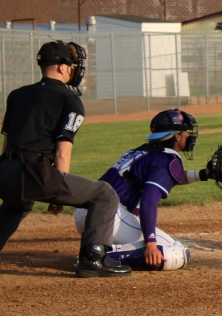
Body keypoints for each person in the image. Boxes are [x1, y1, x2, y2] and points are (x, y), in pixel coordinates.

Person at [0, 41, 131, 277]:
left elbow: (6, 143)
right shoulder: (69, 99)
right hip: (35, 172)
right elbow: (62, 150)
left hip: (4, 170)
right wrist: (58, 189)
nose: (74, 69)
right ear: (62, 67)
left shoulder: (17, 95)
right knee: (105, 194)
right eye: (72, 65)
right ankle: (93, 259)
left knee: (16, 204)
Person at [73, 109, 219, 271]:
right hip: (109, 216)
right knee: (177, 253)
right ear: (176, 136)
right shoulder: (167, 159)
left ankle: (95, 248)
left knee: (146, 239)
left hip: (87, 213)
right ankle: (96, 256)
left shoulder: (140, 152)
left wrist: (203, 174)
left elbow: (167, 178)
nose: (188, 136)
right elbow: (149, 201)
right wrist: (151, 243)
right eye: (185, 132)